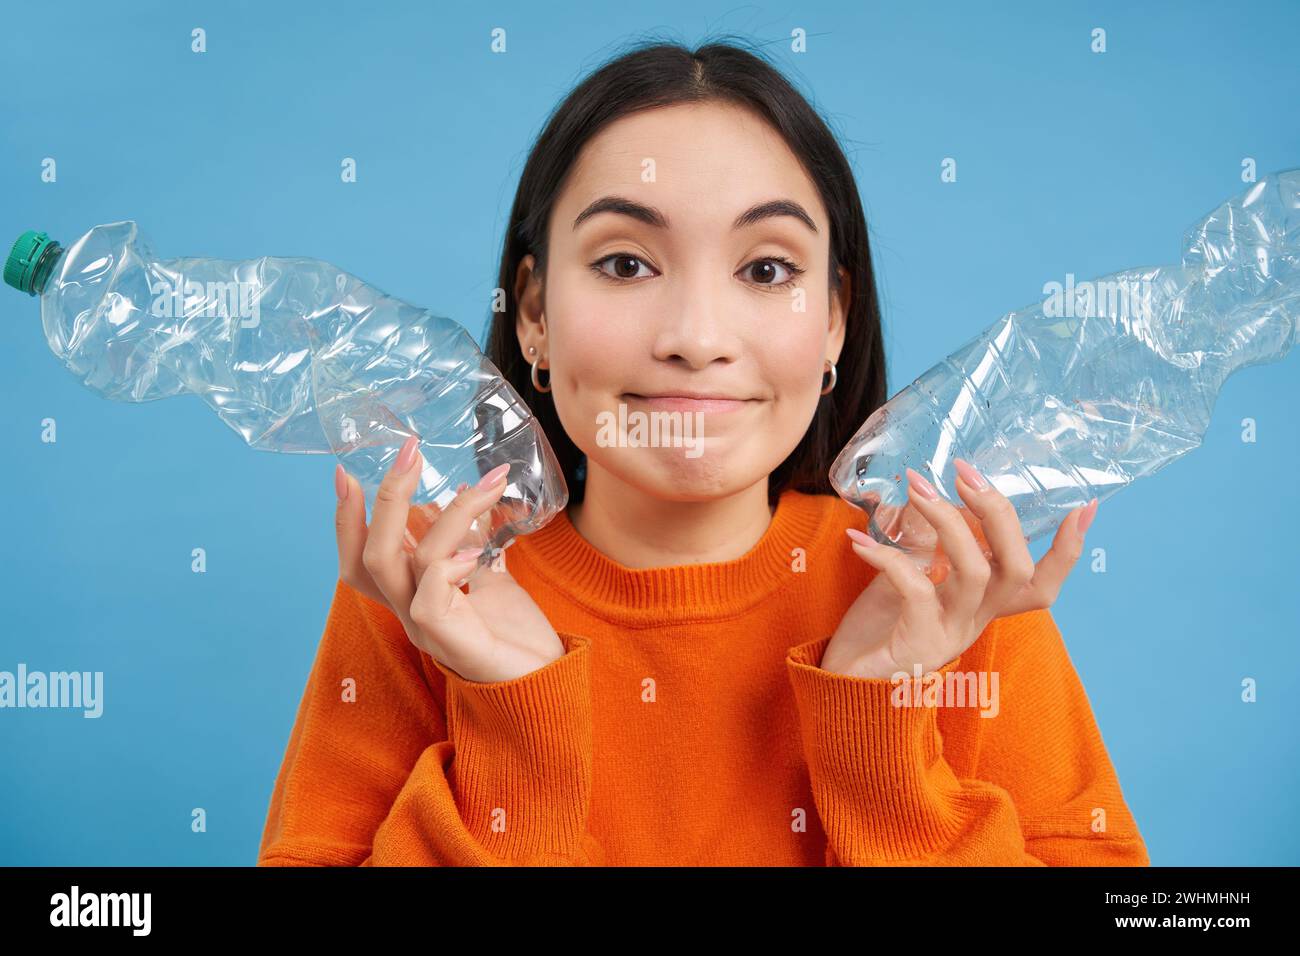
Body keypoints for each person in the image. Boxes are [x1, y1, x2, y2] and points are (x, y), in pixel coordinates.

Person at [256, 38, 1148, 867]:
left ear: (834, 318)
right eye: (624, 264)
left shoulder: (950, 585)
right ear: (533, 313)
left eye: (766, 270)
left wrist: (883, 730)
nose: (695, 337)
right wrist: (516, 727)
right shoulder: (428, 586)